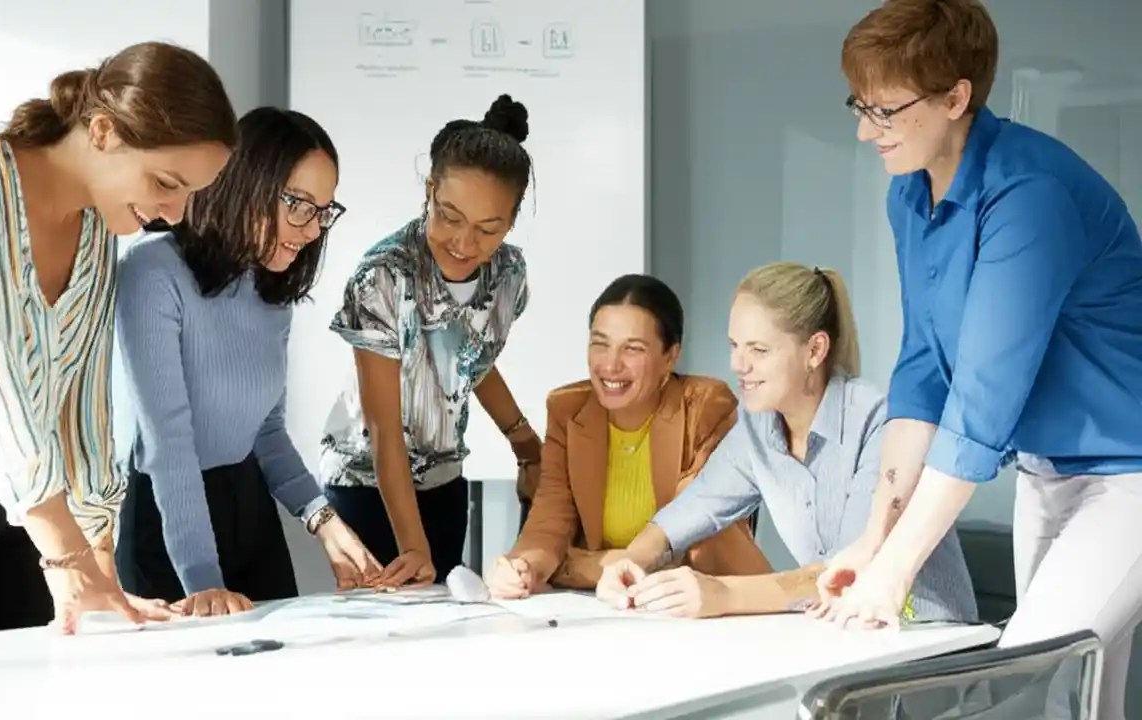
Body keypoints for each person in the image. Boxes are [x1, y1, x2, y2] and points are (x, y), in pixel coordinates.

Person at [814, 1, 1142, 717]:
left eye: (885, 111)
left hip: (1129, 478)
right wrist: (874, 540)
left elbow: (980, 406)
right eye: (859, 105)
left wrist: (895, 574)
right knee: (1079, 700)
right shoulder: (910, 195)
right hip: (1046, 471)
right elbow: (926, 369)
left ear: (956, 97)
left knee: (1033, 676)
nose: (865, 130)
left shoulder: (1029, 195)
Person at [0, 42, 237, 643]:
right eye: (167, 182)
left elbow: (81, 406)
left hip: (25, 509)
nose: (174, 211)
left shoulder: (97, 233)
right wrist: (65, 556)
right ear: (104, 131)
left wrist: (100, 561)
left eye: (190, 193)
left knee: (27, 690)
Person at [595, 263, 977, 623]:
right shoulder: (758, 426)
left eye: (758, 350)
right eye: (734, 345)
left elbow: (846, 572)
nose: (738, 364)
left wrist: (722, 593)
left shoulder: (877, 421)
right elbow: (689, 512)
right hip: (841, 633)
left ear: (815, 350)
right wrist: (631, 561)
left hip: (926, 638)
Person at [114, 108, 382, 617]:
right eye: (299, 205)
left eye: (324, 211)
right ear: (245, 182)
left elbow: (266, 431)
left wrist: (324, 520)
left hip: (249, 510)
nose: (311, 230)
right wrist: (203, 582)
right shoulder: (152, 271)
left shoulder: (270, 285)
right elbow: (168, 444)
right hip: (168, 519)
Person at [321, 94, 542, 586]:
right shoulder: (383, 276)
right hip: (367, 487)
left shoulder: (508, 273)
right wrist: (412, 544)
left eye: (489, 229)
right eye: (449, 216)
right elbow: (383, 429)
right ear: (429, 189)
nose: (465, 244)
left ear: (511, 219)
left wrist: (526, 445)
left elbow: (471, 362)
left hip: (444, 482)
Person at [485, 274, 772, 598]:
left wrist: (577, 566)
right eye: (600, 343)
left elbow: (691, 535)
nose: (610, 364)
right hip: (608, 606)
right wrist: (523, 567)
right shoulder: (568, 410)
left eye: (632, 349)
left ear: (670, 356)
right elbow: (550, 519)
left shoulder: (705, 406)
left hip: (700, 606)